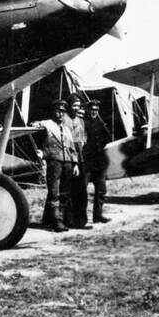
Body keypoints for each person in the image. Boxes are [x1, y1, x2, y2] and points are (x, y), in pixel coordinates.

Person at [38, 100, 75, 232]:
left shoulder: (66, 128)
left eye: (63, 112)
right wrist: (41, 152)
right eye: (58, 111)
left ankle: (57, 219)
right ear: (53, 111)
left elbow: (72, 147)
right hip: (54, 161)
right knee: (54, 192)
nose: (60, 114)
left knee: (65, 192)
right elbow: (34, 127)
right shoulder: (47, 124)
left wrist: (74, 163)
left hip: (68, 162)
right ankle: (56, 222)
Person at [84, 100, 112, 224]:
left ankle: (98, 215)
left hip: (100, 162)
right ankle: (81, 218)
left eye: (96, 110)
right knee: (82, 191)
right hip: (86, 162)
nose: (94, 112)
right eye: (92, 109)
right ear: (87, 110)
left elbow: (108, 138)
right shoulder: (82, 123)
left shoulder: (101, 123)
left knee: (101, 190)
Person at [65, 97, 89, 229]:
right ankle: (69, 220)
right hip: (70, 159)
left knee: (81, 192)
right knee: (69, 191)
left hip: (80, 159)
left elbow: (81, 140)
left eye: (78, 106)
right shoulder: (64, 120)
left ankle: (81, 221)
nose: (76, 108)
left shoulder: (79, 120)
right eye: (74, 105)